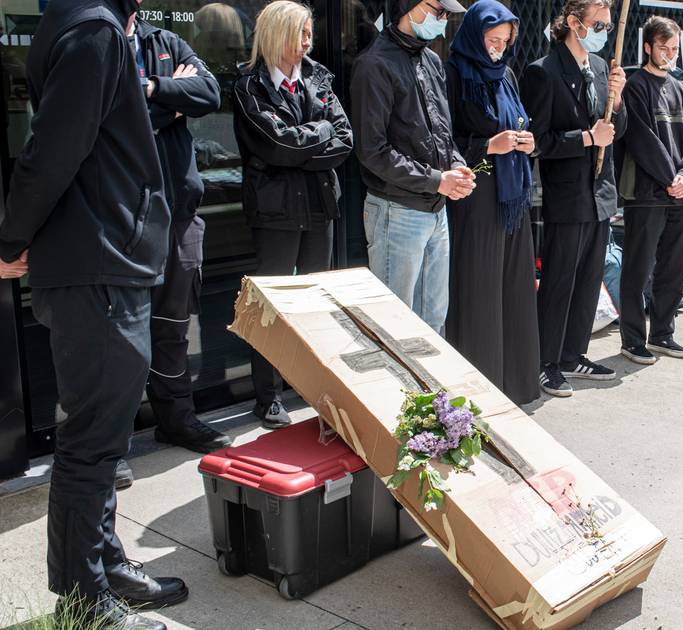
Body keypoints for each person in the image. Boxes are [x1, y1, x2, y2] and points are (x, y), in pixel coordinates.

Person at [0, 1, 188, 627]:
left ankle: (103, 565)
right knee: (92, 440)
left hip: (103, 259)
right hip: (98, 262)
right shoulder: (93, 29)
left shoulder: (88, 23)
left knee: (103, 437)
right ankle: (85, 599)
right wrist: (11, 239)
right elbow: (52, 149)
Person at [233, 0, 353, 429]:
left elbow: (345, 140)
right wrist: (319, 132)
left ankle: (314, 389)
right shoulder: (249, 86)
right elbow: (276, 145)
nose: (307, 43)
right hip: (275, 212)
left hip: (319, 206)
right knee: (272, 308)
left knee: (317, 303)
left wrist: (300, 147)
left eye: (309, 34)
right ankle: (268, 397)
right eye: (300, 34)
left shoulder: (319, 77)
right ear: (277, 35)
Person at [130, 14, 232, 455]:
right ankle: (110, 441)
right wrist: (173, 101)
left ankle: (176, 421)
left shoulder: (165, 41)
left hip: (179, 215)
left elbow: (208, 93)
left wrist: (152, 88)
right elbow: (109, 116)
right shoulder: (101, 39)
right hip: (124, 219)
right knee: (122, 335)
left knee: (173, 327)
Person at [520, 0, 626, 397]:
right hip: (566, 195)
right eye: (597, 24)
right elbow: (537, 142)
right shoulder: (543, 72)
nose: (603, 32)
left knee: (588, 282)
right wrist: (585, 138)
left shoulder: (600, 68)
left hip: (600, 194)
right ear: (572, 22)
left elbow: (615, 131)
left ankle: (572, 354)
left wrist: (619, 98)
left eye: (607, 26)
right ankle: (544, 361)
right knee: (560, 281)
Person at [352, 0, 474, 332]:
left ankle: (430, 374)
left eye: (447, 14)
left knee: (433, 320)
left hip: (435, 208)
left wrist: (457, 166)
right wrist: (438, 180)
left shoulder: (431, 60)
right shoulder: (374, 64)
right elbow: (372, 151)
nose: (443, 20)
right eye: (438, 11)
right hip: (396, 209)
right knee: (394, 326)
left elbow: (443, 132)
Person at [444, 1, 539, 404]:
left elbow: (519, 122)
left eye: (505, 40)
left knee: (513, 290)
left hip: (512, 195)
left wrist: (528, 143)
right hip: (476, 195)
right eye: (492, 39)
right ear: (473, 35)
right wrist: (487, 146)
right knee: (480, 292)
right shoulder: (453, 73)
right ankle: (480, 394)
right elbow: (444, 141)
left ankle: (514, 385)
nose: (499, 47)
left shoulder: (507, 75)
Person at [615, 16, 683, 365]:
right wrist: (671, 178)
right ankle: (633, 340)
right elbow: (642, 140)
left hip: (680, 193)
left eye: (675, 49)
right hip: (646, 195)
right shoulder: (635, 86)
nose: (669, 54)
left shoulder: (679, 89)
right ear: (648, 47)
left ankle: (663, 334)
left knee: (673, 270)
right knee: (637, 271)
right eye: (663, 48)